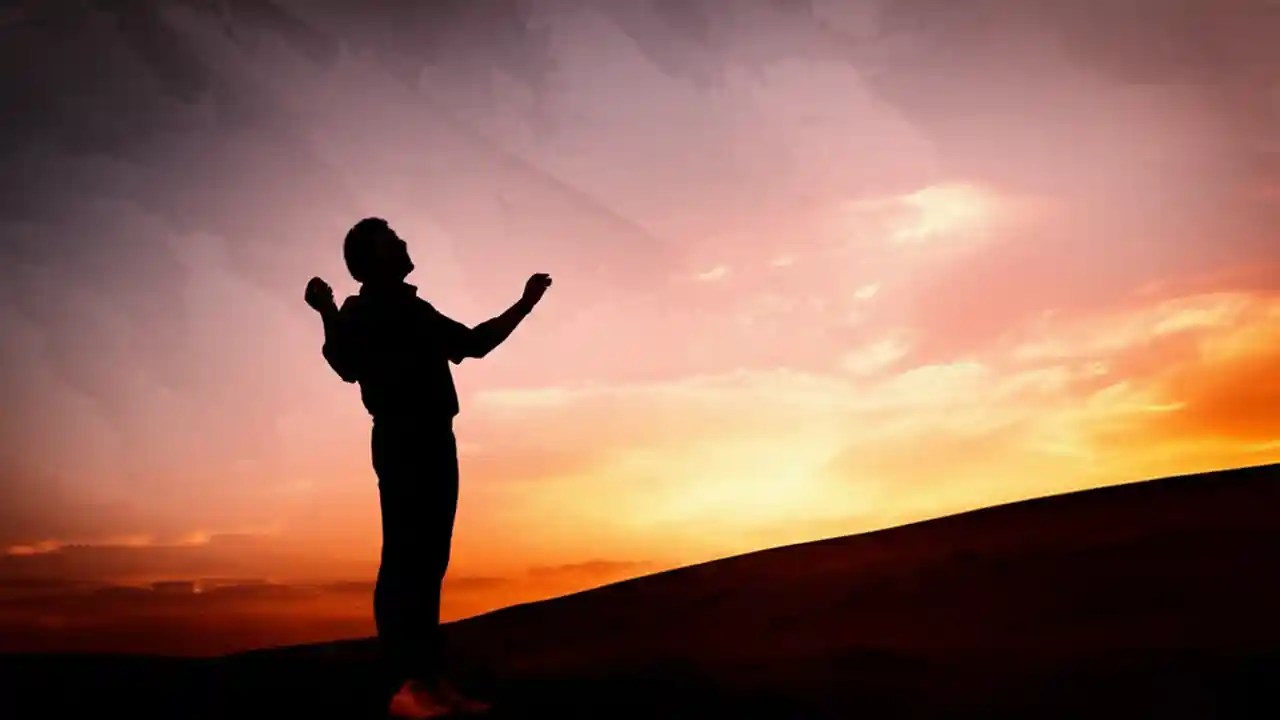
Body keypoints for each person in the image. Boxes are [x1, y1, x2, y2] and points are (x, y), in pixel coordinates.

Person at [304, 217, 552, 718]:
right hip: (402, 438)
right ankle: (406, 686)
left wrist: (525, 304)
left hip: (436, 438)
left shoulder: (415, 310)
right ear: (374, 260)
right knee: (406, 560)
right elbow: (345, 362)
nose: (403, 244)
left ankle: (426, 680)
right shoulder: (363, 310)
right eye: (391, 241)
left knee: (428, 561)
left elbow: (473, 343)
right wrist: (328, 310)